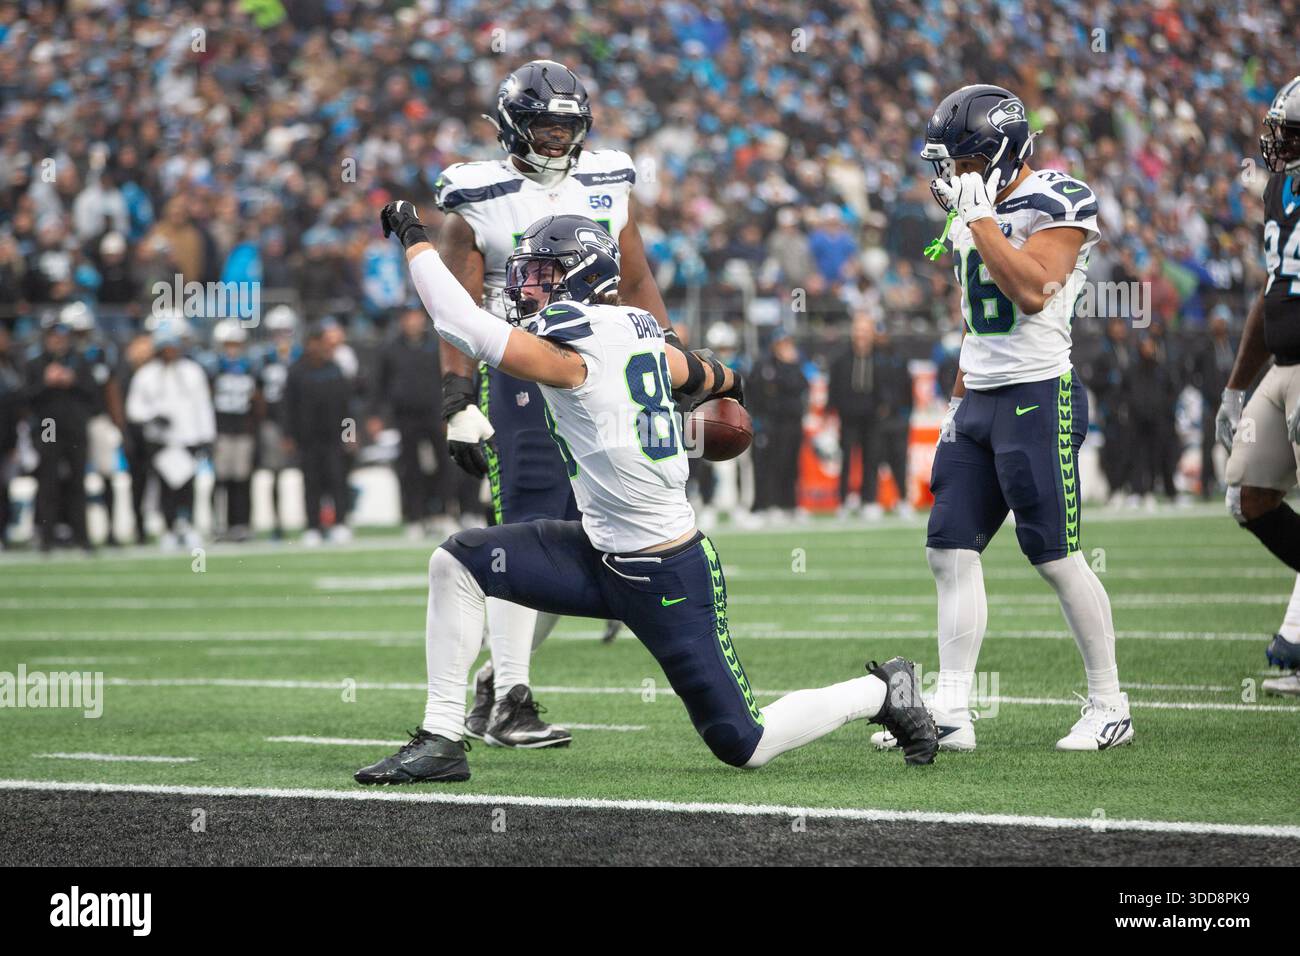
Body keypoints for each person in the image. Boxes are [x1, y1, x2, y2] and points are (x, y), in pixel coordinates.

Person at [354, 204, 936, 783]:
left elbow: (461, 323)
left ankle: (882, 687)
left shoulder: (575, 352)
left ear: (579, 277)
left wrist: (413, 237)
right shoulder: (637, 334)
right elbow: (706, 373)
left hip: (665, 571)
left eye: (541, 274)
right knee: (456, 561)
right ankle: (441, 739)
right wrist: (725, 384)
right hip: (596, 551)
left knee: (744, 742)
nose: (526, 286)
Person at [882, 83, 1131, 753]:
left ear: (999, 152)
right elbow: (978, 320)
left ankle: (1110, 703)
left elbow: (1029, 290)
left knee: (1052, 554)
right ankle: (954, 712)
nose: (954, 177)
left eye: (964, 162)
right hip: (982, 399)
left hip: (1038, 395)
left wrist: (982, 217)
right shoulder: (973, 208)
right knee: (948, 547)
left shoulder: (1058, 197)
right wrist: (958, 404)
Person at [432, 60, 671, 748]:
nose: (559, 136)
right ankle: (511, 697)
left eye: (569, 124)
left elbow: (636, 274)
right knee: (529, 527)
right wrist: (457, 397)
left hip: (604, 372)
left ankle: (494, 685)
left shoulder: (609, 177)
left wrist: (670, 351)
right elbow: (455, 307)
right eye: (546, 124)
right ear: (514, 125)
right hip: (522, 376)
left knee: (585, 538)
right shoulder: (477, 192)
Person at [1214, 76, 1300, 696]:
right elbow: (1272, 290)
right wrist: (1236, 387)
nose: (1277, 144)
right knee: (1248, 494)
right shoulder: (1280, 187)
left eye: (1289, 134)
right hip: (1285, 364)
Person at [125, 315, 215, 551]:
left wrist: (207, 436)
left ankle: (187, 525)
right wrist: (152, 418)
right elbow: (134, 408)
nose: (170, 351)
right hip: (161, 440)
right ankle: (168, 527)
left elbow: (203, 406)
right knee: (164, 487)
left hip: (188, 438)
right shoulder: (146, 375)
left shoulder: (193, 371)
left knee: (188, 486)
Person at [371, 306, 448, 538]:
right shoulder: (390, 348)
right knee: (410, 468)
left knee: (444, 464)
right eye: (408, 318)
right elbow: (379, 383)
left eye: (415, 317)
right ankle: (415, 517)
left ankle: (441, 513)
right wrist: (375, 415)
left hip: (435, 413)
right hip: (405, 415)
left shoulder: (437, 345)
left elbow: (447, 378)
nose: (412, 322)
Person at [25, 317, 98, 552]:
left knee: (78, 482)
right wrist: (47, 382)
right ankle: (46, 538)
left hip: (74, 428)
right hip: (48, 427)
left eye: (62, 337)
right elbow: (25, 397)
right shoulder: (36, 364)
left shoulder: (78, 362)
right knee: (48, 482)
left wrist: (72, 381)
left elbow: (93, 394)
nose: (58, 342)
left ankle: (82, 537)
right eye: (54, 338)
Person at [284, 324, 353, 545]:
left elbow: (347, 406)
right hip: (307, 438)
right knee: (311, 483)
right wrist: (288, 435)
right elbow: (287, 407)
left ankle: (340, 523)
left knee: (337, 480)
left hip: (333, 437)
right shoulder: (296, 371)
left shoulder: (334, 369)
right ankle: (312, 526)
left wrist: (349, 435)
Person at [209, 320, 260, 542]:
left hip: (242, 430)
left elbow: (258, 400)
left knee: (242, 479)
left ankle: (241, 524)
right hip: (221, 429)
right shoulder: (214, 368)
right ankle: (220, 524)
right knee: (220, 480)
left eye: (235, 343)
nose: (232, 348)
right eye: (228, 343)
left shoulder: (249, 367)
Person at [750, 330, 808, 518]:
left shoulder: (795, 366)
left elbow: (801, 387)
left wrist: (790, 366)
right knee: (770, 464)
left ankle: (789, 503)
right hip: (771, 423)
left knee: (791, 464)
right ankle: (769, 504)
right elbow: (759, 393)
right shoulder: (765, 366)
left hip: (792, 422)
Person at [255, 305, 300, 539]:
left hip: (301, 420)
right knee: (275, 472)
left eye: (286, 331)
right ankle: (277, 521)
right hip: (274, 421)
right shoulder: (263, 359)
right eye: (277, 331)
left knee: (311, 471)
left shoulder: (301, 356)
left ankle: (317, 521)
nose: (282, 336)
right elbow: (258, 393)